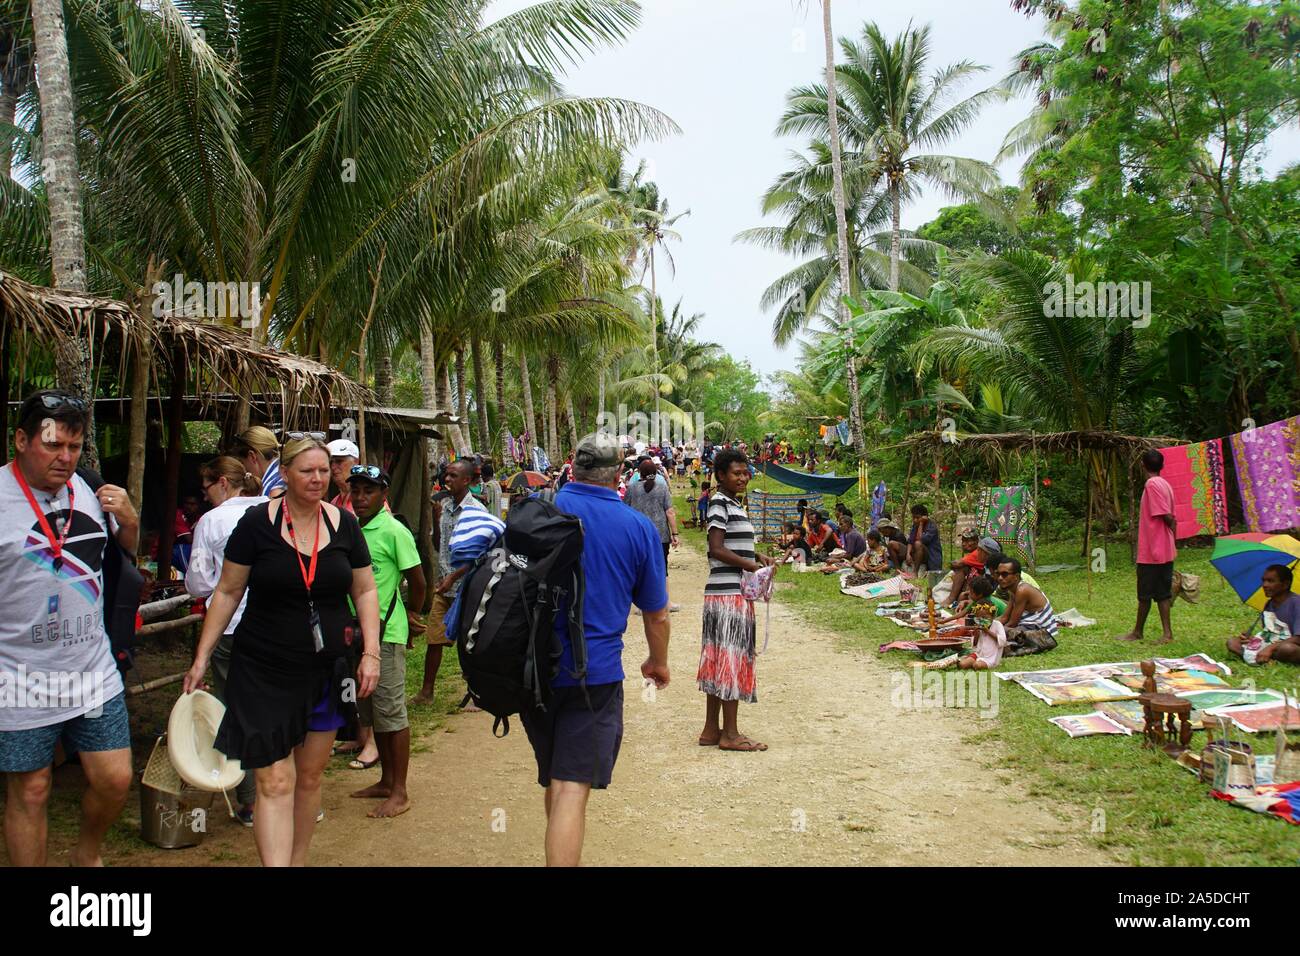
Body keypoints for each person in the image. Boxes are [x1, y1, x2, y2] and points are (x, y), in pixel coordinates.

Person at [182, 436, 381, 866]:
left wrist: (372, 653)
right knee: (275, 779)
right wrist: (202, 657)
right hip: (263, 668)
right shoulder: (256, 524)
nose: (317, 479)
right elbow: (228, 591)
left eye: (325, 471)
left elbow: (364, 589)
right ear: (285, 473)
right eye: (307, 471)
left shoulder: (344, 525)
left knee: (308, 778)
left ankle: (297, 860)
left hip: (327, 668)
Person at [1, 390, 138, 867]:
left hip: (90, 669)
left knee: (115, 779)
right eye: (53, 444)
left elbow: (126, 551)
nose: (65, 458)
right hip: (19, 674)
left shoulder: (91, 487)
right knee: (32, 789)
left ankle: (85, 855)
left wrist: (130, 518)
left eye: (74, 447)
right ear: (20, 439)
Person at [522, 433, 670, 866]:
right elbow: (656, 614)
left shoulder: (537, 512)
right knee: (571, 785)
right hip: (593, 675)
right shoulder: (635, 527)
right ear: (618, 474)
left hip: (532, 671)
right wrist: (657, 662)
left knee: (556, 778)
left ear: (574, 467)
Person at [186, 456, 267, 825]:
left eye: (206, 490)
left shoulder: (212, 522)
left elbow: (199, 583)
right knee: (276, 706)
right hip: (276, 626)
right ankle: (292, 795)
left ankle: (251, 799)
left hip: (231, 628)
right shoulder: (272, 509)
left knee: (235, 710)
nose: (204, 498)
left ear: (221, 482)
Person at [346, 466, 426, 817]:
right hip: (354, 633)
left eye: (369, 491)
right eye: (356, 491)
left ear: (383, 495)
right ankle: (385, 780)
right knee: (372, 712)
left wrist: (411, 614)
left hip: (386, 636)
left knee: (391, 712)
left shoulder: (394, 531)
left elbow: (418, 579)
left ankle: (401, 791)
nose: (361, 498)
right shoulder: (350, 529)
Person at [699, 448, 775, 753]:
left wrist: (755, 555)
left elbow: (732, 544)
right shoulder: (720, 503)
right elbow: (715, 548)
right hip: (729, 594)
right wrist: (751, 566)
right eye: (736, 473)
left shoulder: (731, 503)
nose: (743, 478)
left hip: (726, 593)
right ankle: (730, 734)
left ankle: (710, 730)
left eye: (746, 473)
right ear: (721, 476)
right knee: (731, 658)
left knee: (719, 657)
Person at [413, 459, 487, 707]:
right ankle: (426, 692)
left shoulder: (477, 511)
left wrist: (453, 578)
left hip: (467, 588)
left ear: (466, 480)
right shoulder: (443, 508)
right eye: (447, 475)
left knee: (468, 643)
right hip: (443, 588)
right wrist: (435, 519)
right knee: (434, 640)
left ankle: (475, 691)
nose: (447, 479)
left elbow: (481, 556)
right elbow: (438, 546)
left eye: (453, 476)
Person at [1116, 449, 1176, 644]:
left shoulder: (1152, 484)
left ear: (1143, 466)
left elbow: (1165, 514)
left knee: (1145, 594)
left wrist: (1170, 525)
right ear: (1162, 466)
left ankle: (1138, 632)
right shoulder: (1165, 484)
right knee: (1162, 593)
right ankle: (1166, 633)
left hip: (1153, 550)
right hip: (1164, 548)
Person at [624, 458, 681, 612]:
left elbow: (624, 510)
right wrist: (675, 533)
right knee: (662, 567)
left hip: (638, 534)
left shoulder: (632, 488)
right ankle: (666, 602)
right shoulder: (662, 488)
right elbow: (669, 512)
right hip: (660, 534)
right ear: (655, 472)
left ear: (639, 472)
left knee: (640, 568)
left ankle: (642, 605)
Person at [1227, 565, 1300, 665]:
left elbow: (1298, 638)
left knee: (1287, 649)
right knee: (1232, 642)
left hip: (1291, 645)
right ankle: (1267, 659)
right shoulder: (1269, 604)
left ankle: (1263, 658)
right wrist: (1252, 640)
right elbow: (1269, 633)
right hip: (1273, 644)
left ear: (1285, 584)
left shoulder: (1296, 603)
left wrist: (1270, 648)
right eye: (1264, 580)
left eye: (1270, 581)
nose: (1264, 585)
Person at [996, 558, 1059, 655]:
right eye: (998, 574)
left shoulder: (1022, 590)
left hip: (1041, 633)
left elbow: (1012, 623)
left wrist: (992, 631)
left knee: (998, 636)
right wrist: (987, 625)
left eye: (1004, 574)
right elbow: (1005, 617)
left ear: (1016, 576)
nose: (1000, 578)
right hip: (1026, 628)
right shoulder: (1013, 590)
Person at [232, 425, 288, 499]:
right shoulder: (285, 472)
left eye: (243, 463)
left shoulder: (272, 491)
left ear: (252, 456)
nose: (245, 471)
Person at [958, 591, 1008, 671]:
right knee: (962, 664)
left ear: (993, 616)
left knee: (977, 665)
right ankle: (973, 662)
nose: (982, 620)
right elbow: (974, 645)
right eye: (979, 618)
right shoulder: (979, 626)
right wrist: (976, 633)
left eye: (985, 617)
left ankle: (979, 663)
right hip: (979, 654)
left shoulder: (997, 624)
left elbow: (1002, 641)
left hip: (991, 657)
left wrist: (987, 631)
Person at [947, 529, 984, 608]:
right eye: (963, 541)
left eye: (967, 541)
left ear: (977, 541)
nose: (963, 544)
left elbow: (956, 563)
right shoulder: (975, 552)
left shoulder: (977, 553)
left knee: (961, 568)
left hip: (982, 585)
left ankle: (951, 598)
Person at [906, 504, 942, 573]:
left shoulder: (932, 526)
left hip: (931, 556)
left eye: (917, 518)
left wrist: (921, 524)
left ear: (924, 517)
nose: (915, 520)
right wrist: (908, 554)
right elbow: (910, 540)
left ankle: (915, 572)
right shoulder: (915, 526)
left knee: (918, 543)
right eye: (913, 518)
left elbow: (922, 539)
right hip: (918, 553)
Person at [326, 439, 359, 511]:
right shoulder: (334, 502)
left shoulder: (366, 500)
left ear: (356, 462)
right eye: (330, 462)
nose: (333, 467)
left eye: (339, 461)